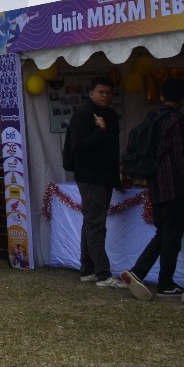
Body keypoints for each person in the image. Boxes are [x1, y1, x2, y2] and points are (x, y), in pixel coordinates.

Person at [122, 78, 184, 300]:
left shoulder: (151, 117)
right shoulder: (176, 120)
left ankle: (138, 272)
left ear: (162, 97)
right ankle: (165, 283)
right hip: (173, 185)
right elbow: (179, 156)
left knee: (164, 233)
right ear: (182, 99)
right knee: (171, 236)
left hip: (155, 184)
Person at [69, 76, 124, 288]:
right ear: (91, 93)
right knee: (95, 225)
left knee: (91, 224)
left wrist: (116, 177)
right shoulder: (83, 114)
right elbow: (79, 148)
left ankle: (88, 270)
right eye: (101, 92)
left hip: (104, 177)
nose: (105, 96)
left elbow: (113, 149)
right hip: (90, 177)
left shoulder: (110, 114)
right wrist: (100, 131)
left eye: (109, 93)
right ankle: (103, 274)